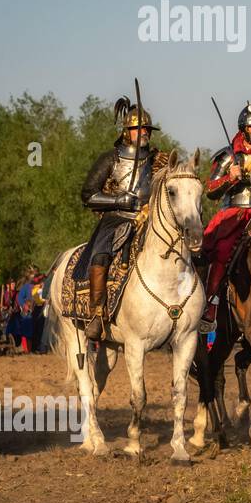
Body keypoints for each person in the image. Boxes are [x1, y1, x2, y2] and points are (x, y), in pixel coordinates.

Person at [76, 96, 165, 340]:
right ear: (127, 132)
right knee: (101, 254)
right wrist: (118, 200)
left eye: (147, 129)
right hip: (116, 218)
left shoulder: (159, 160)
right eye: (138, 128)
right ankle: (97, 313)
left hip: (150, 218)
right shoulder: (111, 158)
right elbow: (88, 194)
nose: (144, 132)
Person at [199, 101, 251, 333]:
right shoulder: (228, 155)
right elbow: (210, 189)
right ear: (244, 129)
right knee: (223, 250)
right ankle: (210, 304)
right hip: (237, 213)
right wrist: (230, 178)